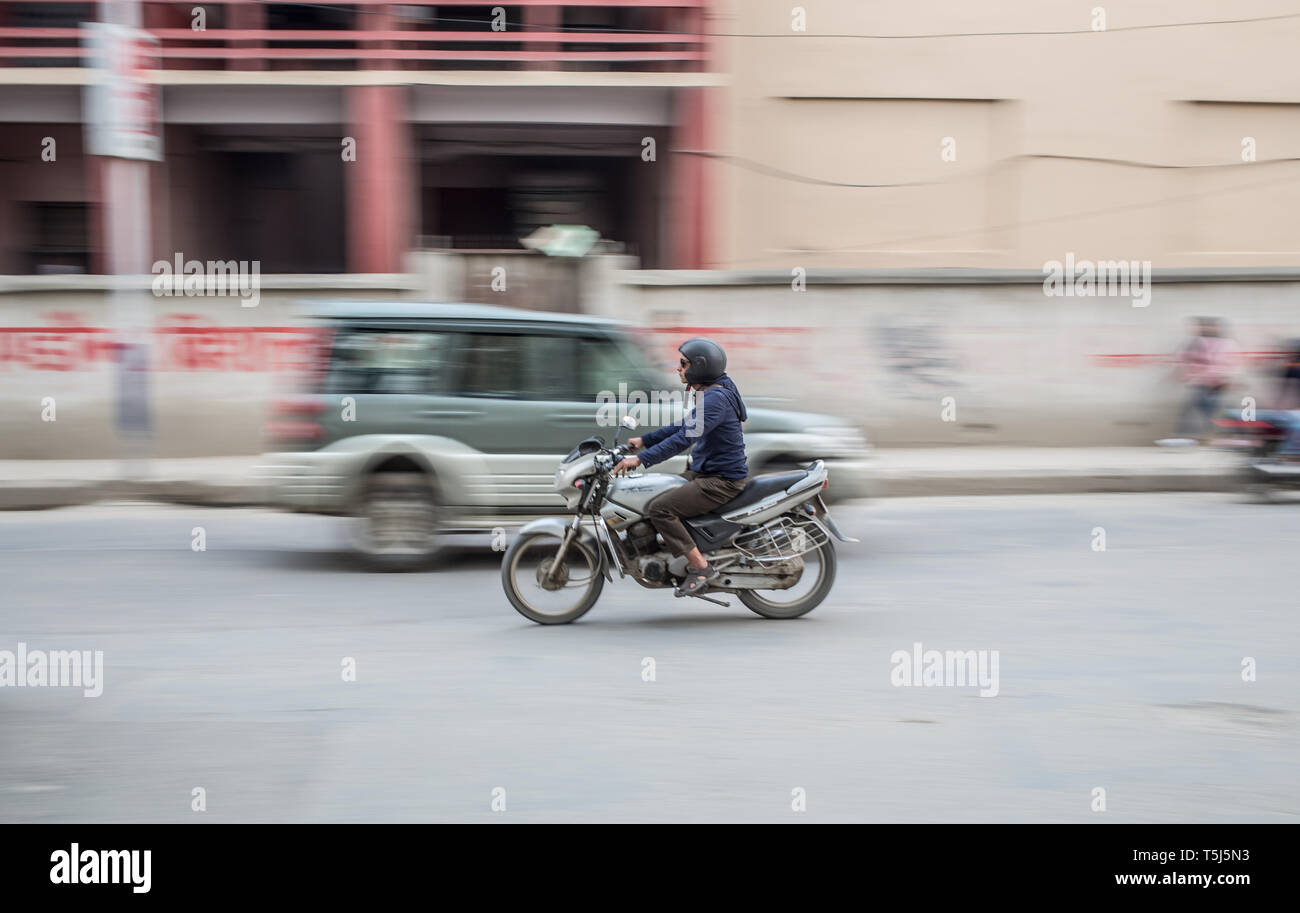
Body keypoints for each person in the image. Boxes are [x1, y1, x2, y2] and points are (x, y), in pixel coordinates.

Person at [611, 337, 748, 597]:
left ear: (699, 366)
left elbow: (685, 438)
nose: (678, 368)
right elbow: (683, 425)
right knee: (653, 494)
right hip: (706, 472)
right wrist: (644, 440)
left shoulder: (716, 398)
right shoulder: (715, 391)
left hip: (720, 481)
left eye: (683, 364)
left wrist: (640, 459)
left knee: (661, 509)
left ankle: (700, 567)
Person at [1160, 317, 1239, 446]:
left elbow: (1233, 363)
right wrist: (1186, 373)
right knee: (1190, 411)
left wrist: (1226, 377)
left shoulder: (1228, 344)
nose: (1209, 329)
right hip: (1198, 383)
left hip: (1216, 385)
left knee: (1209, 413)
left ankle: (1209, 436)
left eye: (1212, 327)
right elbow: (1184, 358)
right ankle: (1182, 436)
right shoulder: (1194, 342)